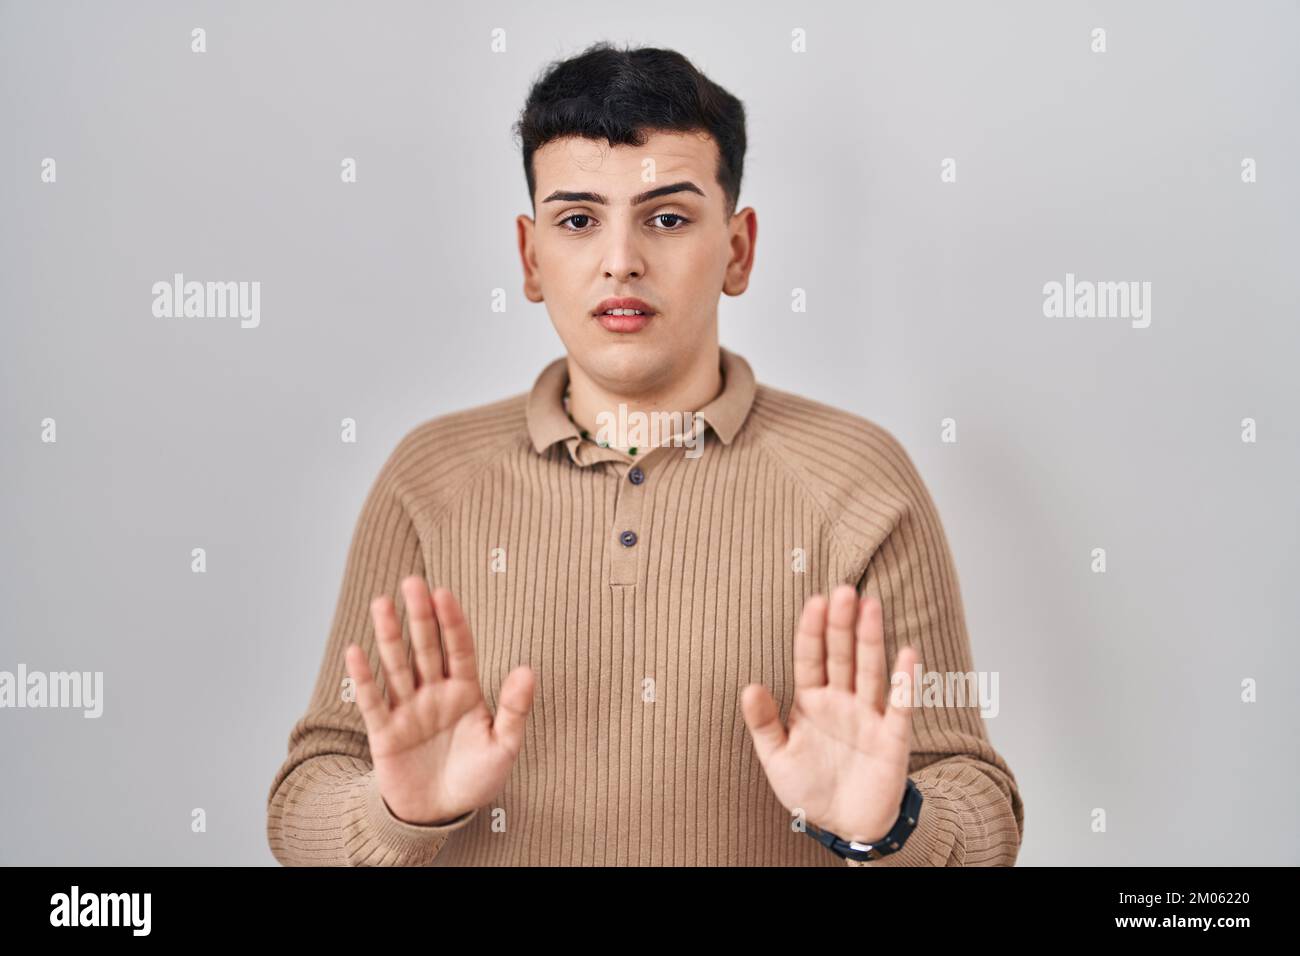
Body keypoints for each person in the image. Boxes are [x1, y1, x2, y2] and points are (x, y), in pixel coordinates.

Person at [266, 41, 1024, 866]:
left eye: (667, 217)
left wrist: (888, 825)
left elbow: (979, 807)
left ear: (738, 251)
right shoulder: (430, 477)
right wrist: (393, 815)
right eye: (578, 220)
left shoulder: (860, 480)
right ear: (530, 256)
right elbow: (306, 796)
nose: (620, 260)